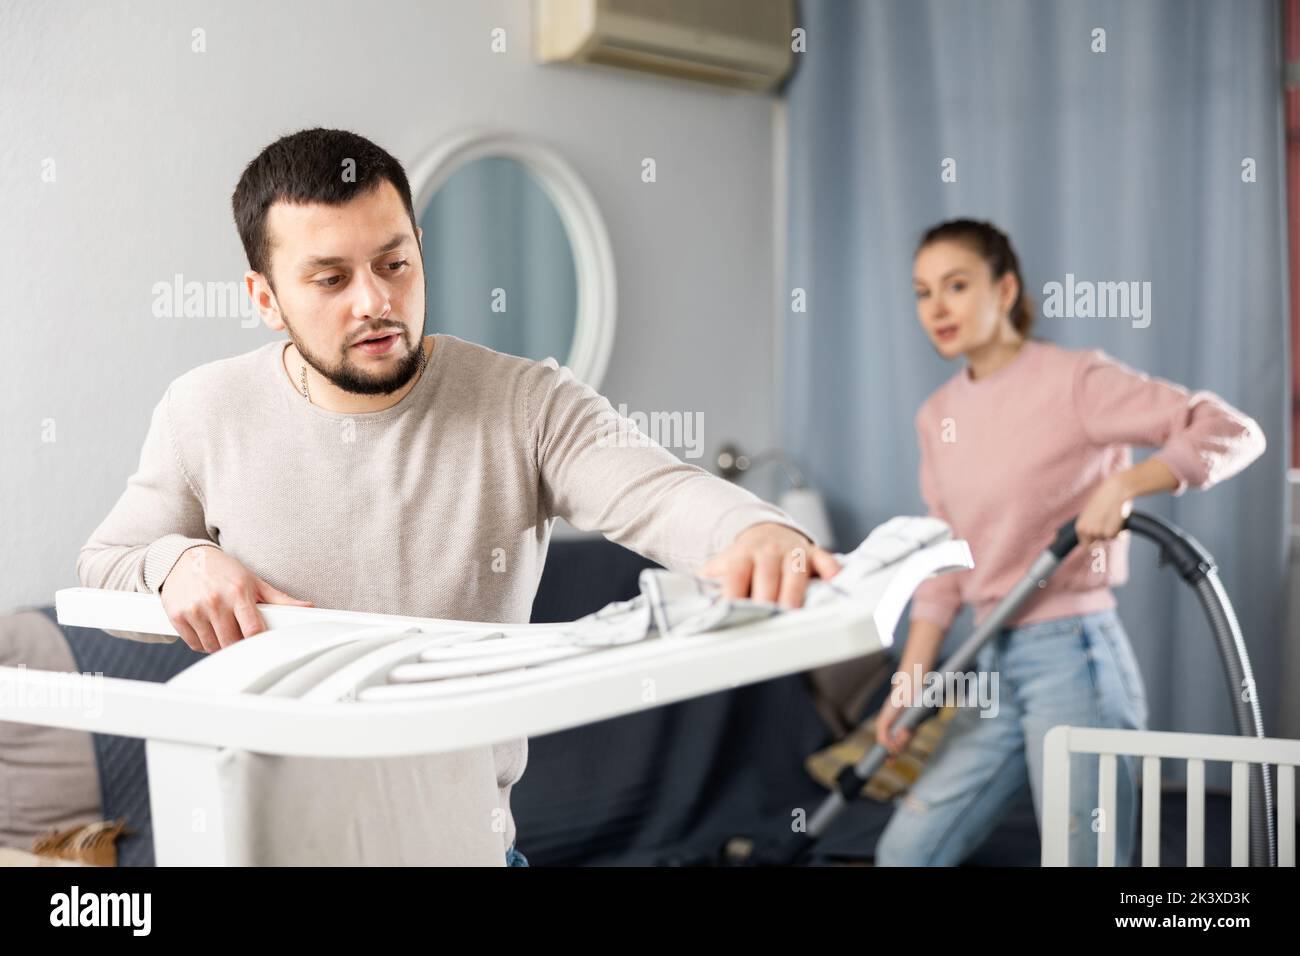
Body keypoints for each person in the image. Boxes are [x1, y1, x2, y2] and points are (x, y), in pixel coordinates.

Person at [77, 128, 842, 867]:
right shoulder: (203, 409)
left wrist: (757, 530)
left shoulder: (527, 402)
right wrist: (179, 563)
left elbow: (663, 493)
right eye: (330, 279)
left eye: (394, 263)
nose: (374, 301)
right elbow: (106, 565)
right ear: (266, 297)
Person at [873, 218, 1265, 866]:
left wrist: (1132, 480)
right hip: (987, 656)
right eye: (922, 292)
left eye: (956, 285)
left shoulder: (1074, 381)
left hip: (1073, 660)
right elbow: (945, 557)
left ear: (1004, 290)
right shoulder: (936, 415)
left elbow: (1232, 429)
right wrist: (911, 678)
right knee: (905, 853)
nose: (936, 307)